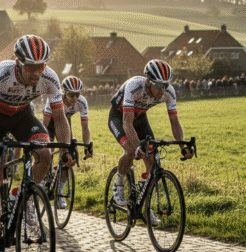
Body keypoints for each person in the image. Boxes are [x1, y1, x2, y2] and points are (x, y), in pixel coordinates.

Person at [0, 35, 75, 252]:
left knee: (45, 153)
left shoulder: (50, 77)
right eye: (31, 67)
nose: (36, 72)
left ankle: (25, 199)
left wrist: (66, 149)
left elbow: (60, 119)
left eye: (41, 66)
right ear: (18, 63)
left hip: (22, 115)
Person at [107, 59, 193, 225]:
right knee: (130, 150)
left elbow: (175, 122)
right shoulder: (134, 86)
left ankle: (144, 205)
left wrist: (183, 146)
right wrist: (138, 146)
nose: (162, 90)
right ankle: (118, 183)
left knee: (153, 163)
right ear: (148, 82)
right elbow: (127, 123)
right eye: (159, 86)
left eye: (166, 85)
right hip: (119, 117)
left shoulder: (169, 92)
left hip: (140, 118)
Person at [42, 76, 92, 209]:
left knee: (68, 158)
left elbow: (85, 127)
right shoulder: (55, 98)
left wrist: (87, 146)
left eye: (77, 94)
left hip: (64, 123)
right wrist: (43, 143)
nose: (75, 98)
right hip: (50, 123)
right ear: (64, 92)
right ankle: (41, 180)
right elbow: (45, 123)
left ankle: (59, 193)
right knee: (46, 152)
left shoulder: (82, 102)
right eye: (71, 94)